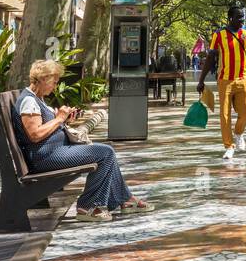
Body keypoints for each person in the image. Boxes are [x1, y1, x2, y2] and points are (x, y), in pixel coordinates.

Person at [16, 59, 151, 222]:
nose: (55, 86)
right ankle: (88, 207)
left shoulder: (36, 98)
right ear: (44, 78)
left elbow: (43, 127)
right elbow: (35, 134)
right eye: (54, 82)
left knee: (106, 151)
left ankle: (125, 199)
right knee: (105, 153)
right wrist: (59, 119)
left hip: (54, 152)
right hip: (45, 157)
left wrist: (63, 119)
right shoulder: (29, 101)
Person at [196, 2, 246, 160]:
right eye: (239, 17)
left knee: (245, 112)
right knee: (224, 115)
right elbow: (210, 58)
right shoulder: (219, 35)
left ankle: (238, 133)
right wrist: (201, 80)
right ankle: (229, 146)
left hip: (243, 79)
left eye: (243, 17)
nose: (242, 20)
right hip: (225, 80)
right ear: (230, 18)